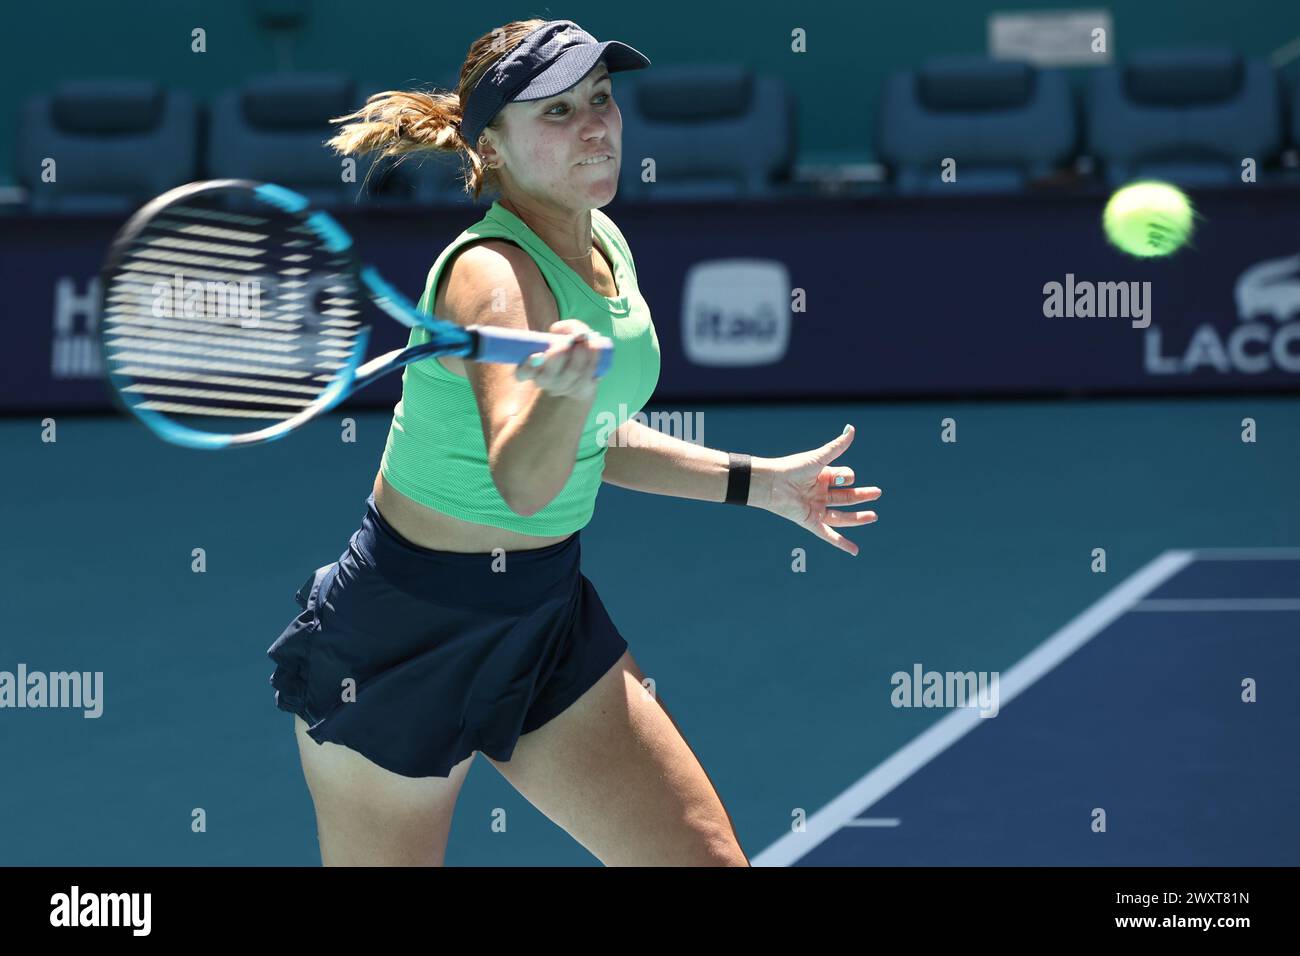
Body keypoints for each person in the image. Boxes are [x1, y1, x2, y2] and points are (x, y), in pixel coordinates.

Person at [266, 17, 881, 867]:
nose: (594, 124)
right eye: (555, 113)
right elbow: (524, 478)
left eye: (600, 100)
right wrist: (560, 397)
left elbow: (596, 438)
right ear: (493, 147)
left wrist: (757, 483)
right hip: (401, 635)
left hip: (542, 613)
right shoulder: (489, 276)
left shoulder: (599, 239)